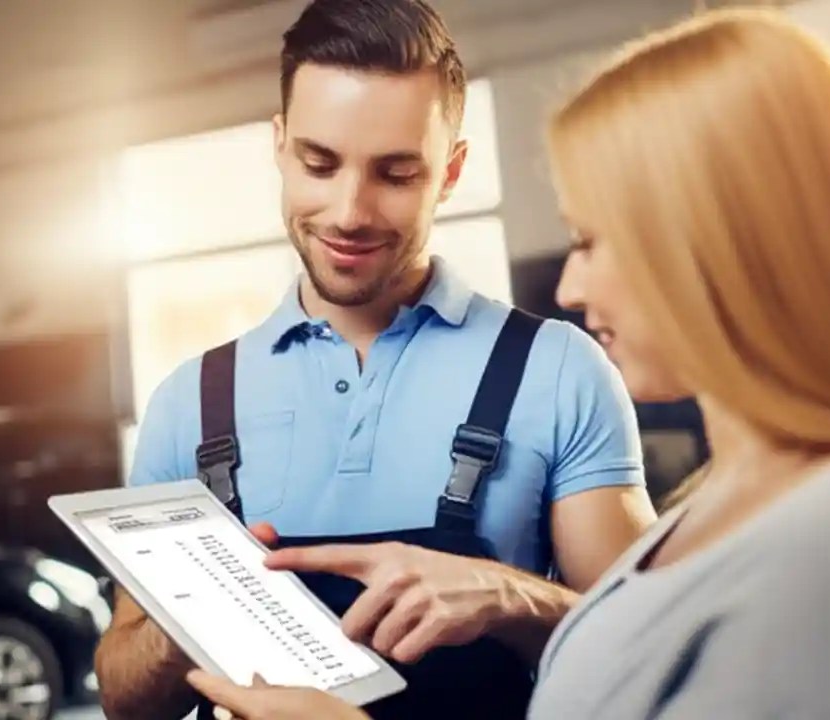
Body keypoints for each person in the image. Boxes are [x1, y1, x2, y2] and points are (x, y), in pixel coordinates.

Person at [183, 7, 830, 719]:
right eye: (319, 162)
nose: (570, 287)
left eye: (593, 240)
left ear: (729, 243)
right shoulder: (720, 502)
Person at [94, 1, 658, 718]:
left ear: (449, 173)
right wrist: (197, 614)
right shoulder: (190, 402)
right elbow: (122, 696)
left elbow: (644, 661)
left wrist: (512, 597)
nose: (350, 211)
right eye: (319, 164)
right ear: (279, 147)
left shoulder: (559, 372)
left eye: (395, 173)